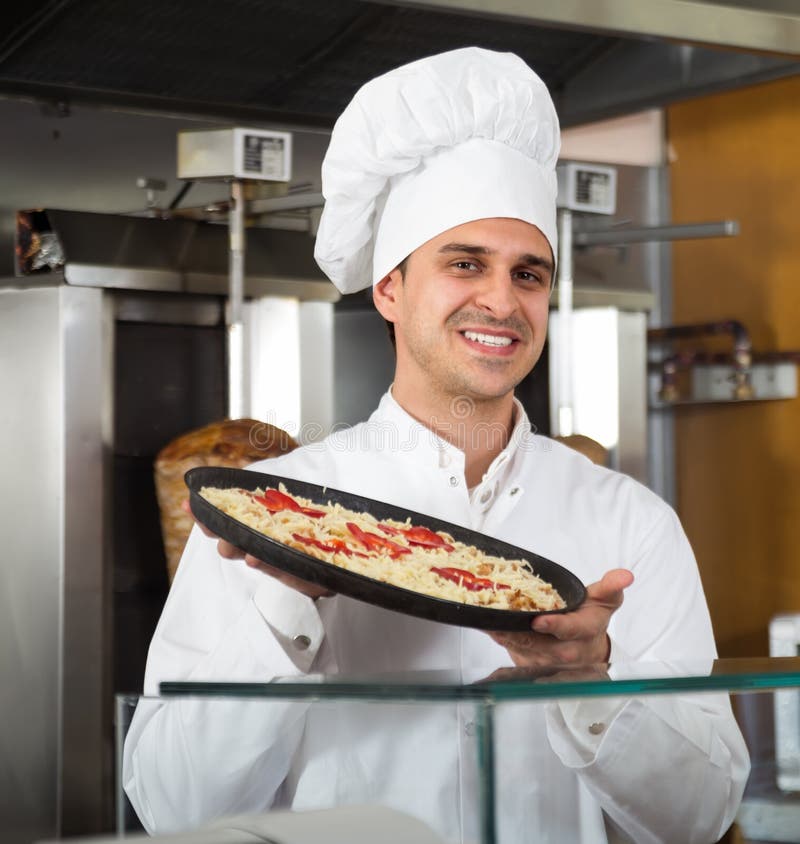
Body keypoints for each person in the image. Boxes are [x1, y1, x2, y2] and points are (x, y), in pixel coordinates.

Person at [123, 47, 749, 843]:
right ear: (389, 287)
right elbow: (172, 808)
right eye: (465, 264)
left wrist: (587, 685)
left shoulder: (629, 521)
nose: (502, 300)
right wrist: (289, 598)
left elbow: (700, 817)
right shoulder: (277, 513)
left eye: (530, 274)